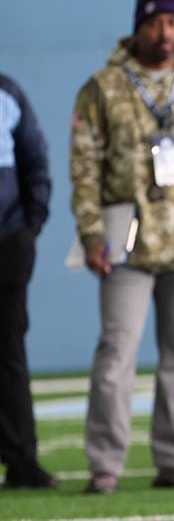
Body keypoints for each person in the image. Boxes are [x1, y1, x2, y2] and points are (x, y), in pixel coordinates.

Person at [69, 0, 174, 494]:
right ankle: (105, 465)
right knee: (116, 352)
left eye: (173, 22)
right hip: (125, 245)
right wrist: (92, 232)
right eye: (155, 22)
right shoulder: (103, 87)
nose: (165, 32)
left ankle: (173, 460)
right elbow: (83, 166)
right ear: (138, 27)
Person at [0, 73, 56, 489]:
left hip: (7, 241)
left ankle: (22, 462)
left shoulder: (8, 92)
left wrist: (30, 225)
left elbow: (35, 159)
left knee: (8, 353)